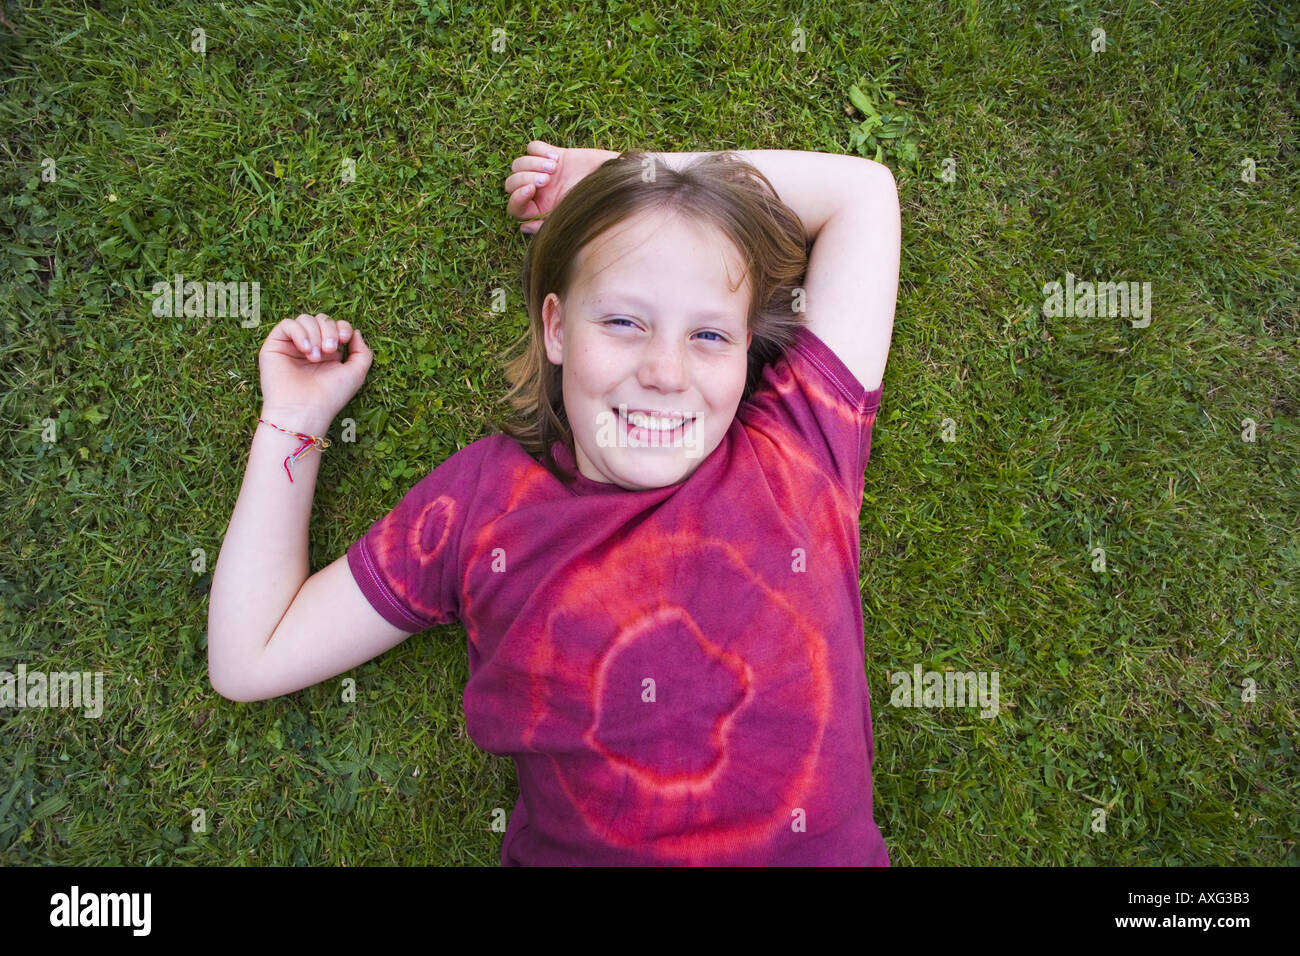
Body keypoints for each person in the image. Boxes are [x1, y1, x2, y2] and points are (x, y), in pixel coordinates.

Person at [207, 140, 901, 865]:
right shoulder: (486, 502)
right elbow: (251, 657)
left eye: (708, 335)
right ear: (557, 328)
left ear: (744, 350)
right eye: (624, 322)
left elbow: (863, 196)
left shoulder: (798, 445)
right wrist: (295, 418)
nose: (666, 371)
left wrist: (625, 176)